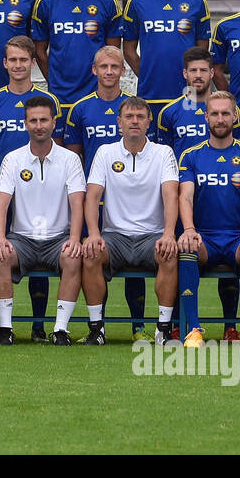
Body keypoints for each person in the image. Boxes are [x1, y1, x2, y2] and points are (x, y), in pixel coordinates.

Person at [62, 45, 149, 338]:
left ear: (123, 71)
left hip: (131, 199)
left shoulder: (135, 108)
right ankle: (97, 326)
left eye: (115, 67)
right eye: (104, 67)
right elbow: (74, 160)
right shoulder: (80, 109)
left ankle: (138, 326)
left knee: (135, 259)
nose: (109, 72)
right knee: (94, 256)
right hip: (94, 200)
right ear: (94, 71)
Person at [0, 35, 62, 342]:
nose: (17, 65)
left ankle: (39, 325)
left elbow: (59, 148)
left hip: (39, 192)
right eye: (12, 59)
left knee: (39, 254)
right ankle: (3, 324)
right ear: (5, 63)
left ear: (32, 63)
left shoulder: (47, 101)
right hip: (4, 191)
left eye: (23, 60)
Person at [80, 97, 181, 343]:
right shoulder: (105, 152)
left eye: (140, 117)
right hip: (115, 237)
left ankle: (163, 329)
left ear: (149, 122)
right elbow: (92, 197)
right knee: (91, 252)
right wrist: (93, 233)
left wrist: (168, 234)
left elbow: (171, 195)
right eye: (129, 117)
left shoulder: (163, 153)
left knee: (169, 251)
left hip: (152, 236)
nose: (134, 121)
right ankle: (96, 329)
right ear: (119, 122)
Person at [0, 95, 84, 345]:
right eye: (33, 120)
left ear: (54, 123)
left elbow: (78, 204)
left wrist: (75, 238)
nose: (39, 125)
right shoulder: (12, 159)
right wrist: (0, 238)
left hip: (58, 239)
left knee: (74, 256)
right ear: (25, 124)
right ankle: (6, 329)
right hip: (21, 239)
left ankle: (60, 330)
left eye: (44, 120)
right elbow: (1, 205)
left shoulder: (70, 159)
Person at [176, 91, 240, 345]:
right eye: (214, 113)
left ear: (235, 116)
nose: (220, 119)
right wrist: (189, 229)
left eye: (225, 113)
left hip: (238, 237)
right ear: (206, 117)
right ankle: (194, 330)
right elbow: (185, 196)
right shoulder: (191, 156)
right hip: (205, 237)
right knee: (187, 248)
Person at [120, 0, 211, 117]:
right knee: (151, 142)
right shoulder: (136, 3)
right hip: (150, 92)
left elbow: (201, 52)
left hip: (188, 92)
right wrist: (146, 73)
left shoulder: (197, 3)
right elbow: (129, 50)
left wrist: (191, 76)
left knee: (186, 139)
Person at [31, 0, 121, 114]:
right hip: (60, 95)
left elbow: (113, 52)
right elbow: (39, 50)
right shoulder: (46, 3)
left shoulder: (107, 2)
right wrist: (54, 79)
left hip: (97, 93)